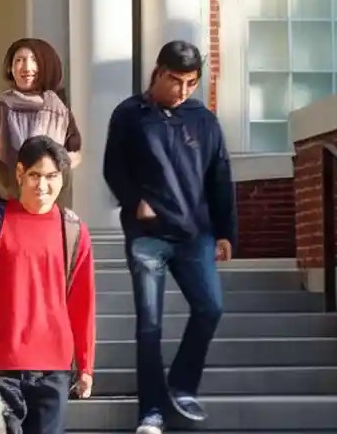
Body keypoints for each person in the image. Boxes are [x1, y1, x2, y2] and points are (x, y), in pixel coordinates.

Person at [103, 40, 235, 434]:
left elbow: (220, 177)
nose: (182, 90)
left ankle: (181, 385)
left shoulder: (203, 119)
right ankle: (151, 412)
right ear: (157, 73)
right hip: (147, 238)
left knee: (210, 308)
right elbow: (113, 168)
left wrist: (227, 232)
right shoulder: (129, 114)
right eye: (175, 80)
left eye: (191, 82)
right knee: (150, 325)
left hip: (195, 236)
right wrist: (134, 201)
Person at [0, 135, 96, 434]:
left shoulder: (73, 230)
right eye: (34, 175)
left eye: (51, 177)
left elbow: (82, 303)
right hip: (0, 367)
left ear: (62, 178)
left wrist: (85, 364)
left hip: (54, 368)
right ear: (19, 173)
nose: (42, 186)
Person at [0, 38, 83, 200]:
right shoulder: (2, 106)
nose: (26, 68)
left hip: (47, 200)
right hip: (10, 199)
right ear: (11, 68)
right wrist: (7, 187)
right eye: (19, 60)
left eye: (34, 60)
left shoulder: (59, 108)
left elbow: (73, 152)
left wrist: (51, 180)